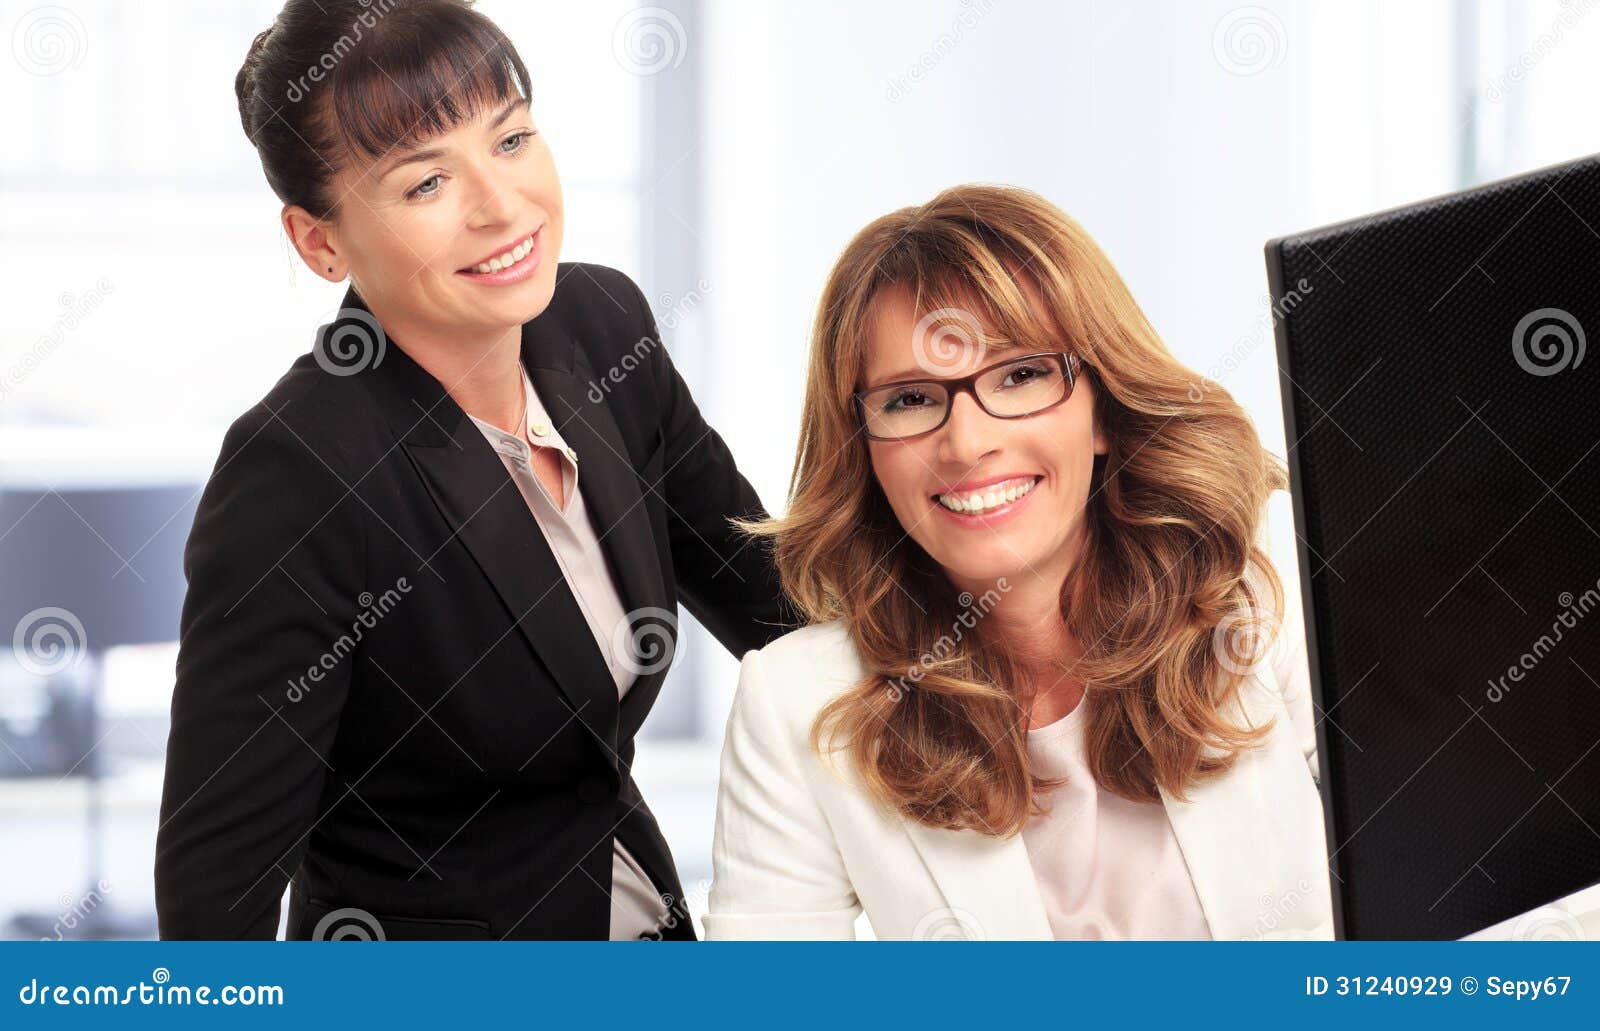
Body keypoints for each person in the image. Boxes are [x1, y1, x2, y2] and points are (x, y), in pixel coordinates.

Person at [155, 0, 792, 940]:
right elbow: (215, 901)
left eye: (512, 138)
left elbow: (775, 602)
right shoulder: (298, 471)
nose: (502, 206)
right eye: (424, 185)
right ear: (318, 241)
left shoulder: (601, 326)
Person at [706, 184, 1333, 940]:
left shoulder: (1270, 579)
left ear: (1103, 405)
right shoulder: (797, 704)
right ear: (862, 446)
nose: (966, 443)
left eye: (1020, 375)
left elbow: (1444, 913)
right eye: (909, 399)